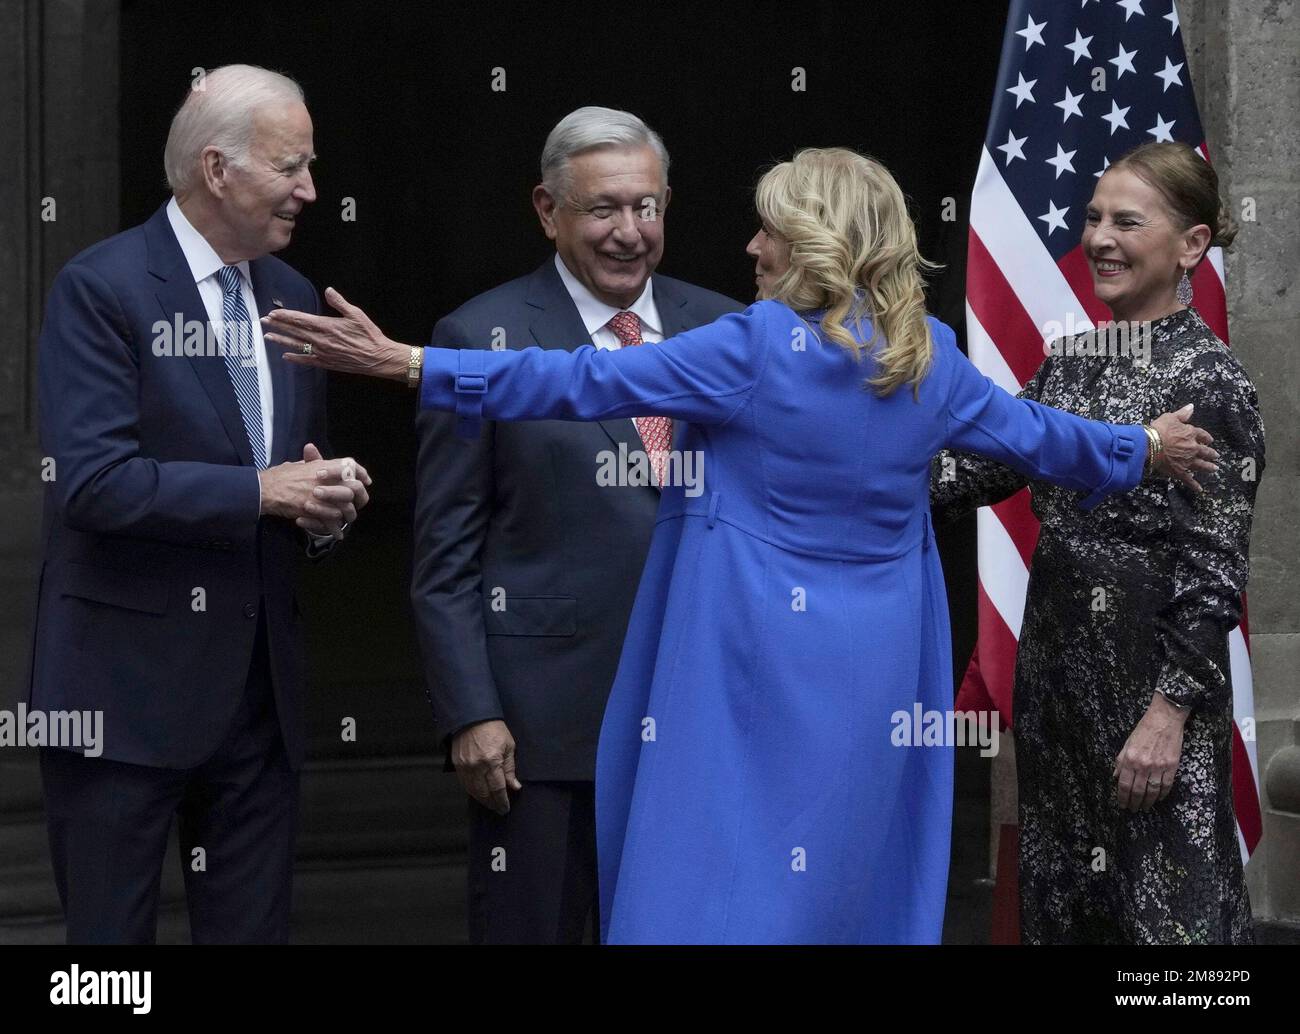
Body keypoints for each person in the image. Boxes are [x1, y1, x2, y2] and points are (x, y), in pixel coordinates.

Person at [263, 147, 1216, 944]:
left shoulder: (754, 345)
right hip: (876, 662)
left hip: (747, 649)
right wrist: (1147, 447)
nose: (752, 245)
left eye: (769, 227)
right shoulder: (926, 351)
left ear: (814, 241)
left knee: (720, 864)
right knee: (842, 860)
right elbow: (1042, 438)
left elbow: (563, 383)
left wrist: (405, 363)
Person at [31, 64, 371, 944]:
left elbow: (289, 475)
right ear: (217, 169)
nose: (310, 190)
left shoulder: (291, 300)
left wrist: (323, 505)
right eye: (290, 167)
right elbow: (95, 483)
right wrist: (264, 491)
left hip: (256, 707)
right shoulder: (101, 289)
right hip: (121, 701)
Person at [409, 107, 740, 944]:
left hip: (700, 720)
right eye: (602, 210)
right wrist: (469, 713)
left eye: (647, 207)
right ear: (547, 211)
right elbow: (444, 555)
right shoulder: (479, 339)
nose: (630, 232)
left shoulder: (731, 330)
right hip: (540, 735)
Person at [930, 141, 1264, 944]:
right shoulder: (1073, 362)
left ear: (1191, 244)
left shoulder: (1213, 382)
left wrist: (1166, 717)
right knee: (1065, 917)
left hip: (1151, 705)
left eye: (1126, 221)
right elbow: (967, 476)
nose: (1100, 238)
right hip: (1060, 701)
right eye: (1092, 219)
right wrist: (849, 445)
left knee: (1165, 929)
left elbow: (1214, 572)